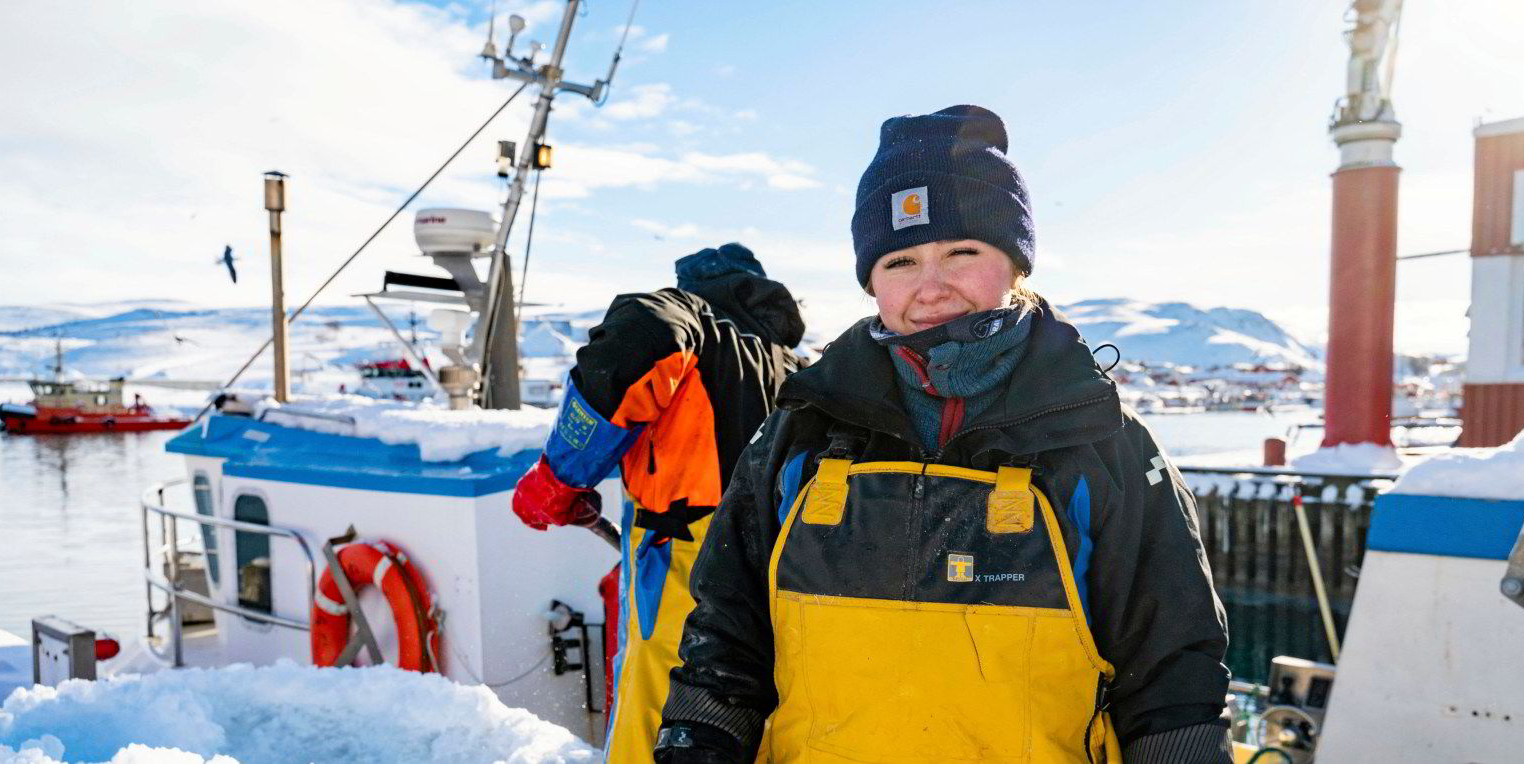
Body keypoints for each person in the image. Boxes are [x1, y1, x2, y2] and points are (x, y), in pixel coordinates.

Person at [654, 106, 1231, 764]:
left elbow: (1173, 672)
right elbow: (726, 637)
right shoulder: (802, 430)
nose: (930, 287)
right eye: (900, 261)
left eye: (962, 252)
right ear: (871, 281)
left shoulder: (1102, 441)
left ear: (1015, 265)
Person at [510, 243, 806, 763]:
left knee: (659, 703)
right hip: (781, 566)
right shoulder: (792, 366)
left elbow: (640, 337)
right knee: (746, 707)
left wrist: (559, 477)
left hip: (686, 561)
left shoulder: (692, 317)